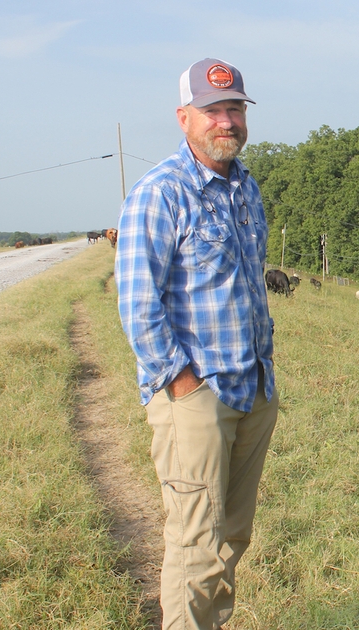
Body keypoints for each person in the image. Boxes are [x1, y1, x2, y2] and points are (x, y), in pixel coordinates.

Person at [116, 58, 277, 630]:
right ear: (185, 118)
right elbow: (138, 305)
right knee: (194, 544)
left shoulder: (245, 188)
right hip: (196, 398)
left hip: (252, 389)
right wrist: (184, 387)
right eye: (213, 111)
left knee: (231, 537)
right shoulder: (160, 193)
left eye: (235, 108)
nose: (226, 121)